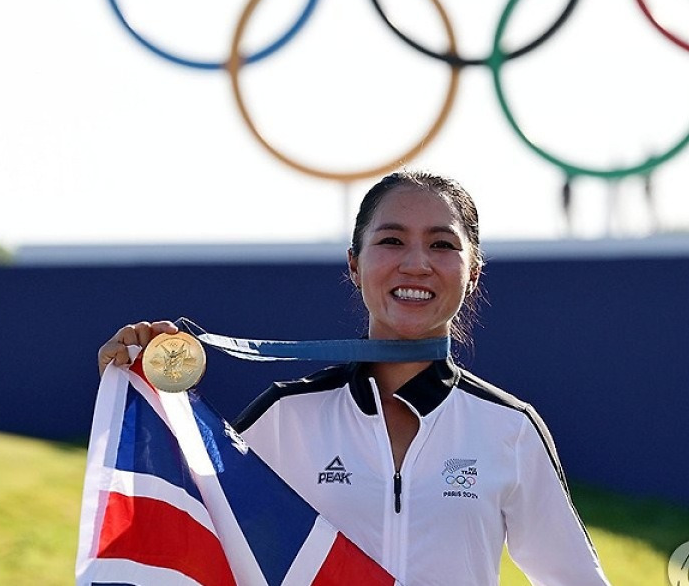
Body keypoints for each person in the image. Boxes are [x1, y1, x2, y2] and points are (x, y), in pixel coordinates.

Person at [98, 171, 610, 586]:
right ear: (354, 264)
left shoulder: (510, 429)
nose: (416, 263)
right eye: (391, 241)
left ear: (472, 270)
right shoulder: (287, 415)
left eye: (441, 245)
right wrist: (138, 389)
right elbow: (181, 530)